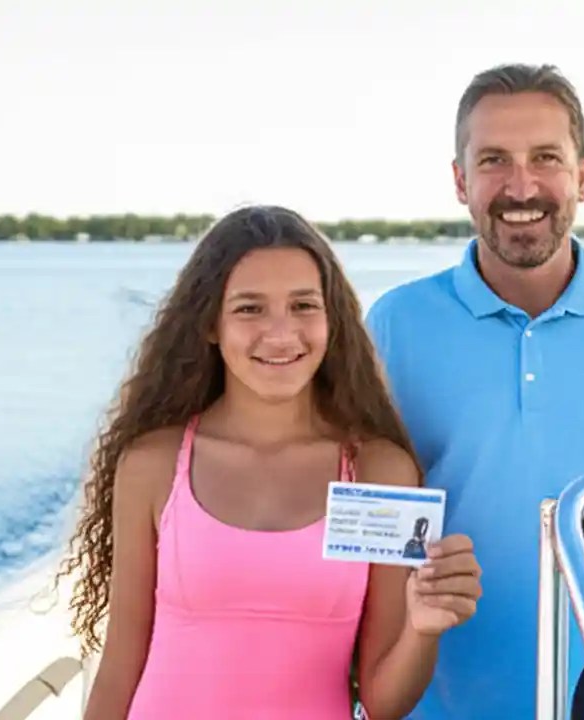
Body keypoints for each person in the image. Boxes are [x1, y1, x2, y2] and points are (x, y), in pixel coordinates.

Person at [365, 63, 584, 719]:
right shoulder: (393, 325)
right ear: (460, 180)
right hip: (433, 707)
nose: (521, 185)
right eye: (494, 159)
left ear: (582, 176)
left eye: (545, 158)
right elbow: (369, 530)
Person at [56, 205, 484, 719]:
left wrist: (423, 627)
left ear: (333, 319)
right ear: (210, 324)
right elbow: (119, 670)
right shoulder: (153, 465)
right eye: (249, 309)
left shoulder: (380, 472)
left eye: (303, 305)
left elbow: (383, 701)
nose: (281, 334)